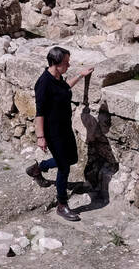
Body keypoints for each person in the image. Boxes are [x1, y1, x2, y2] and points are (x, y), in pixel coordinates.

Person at [26, 46, 93, 221]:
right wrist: (41, 137)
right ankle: (62, 205)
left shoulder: (57, 77)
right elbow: (39, 112)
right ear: (56, 64)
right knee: (64, 167)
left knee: (72, 159)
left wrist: (80, 75)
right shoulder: (43, 83)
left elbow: (64, 88)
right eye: (66, 63)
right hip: (52, 131)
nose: (68, 65)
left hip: (65, 127)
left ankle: (37, 168)